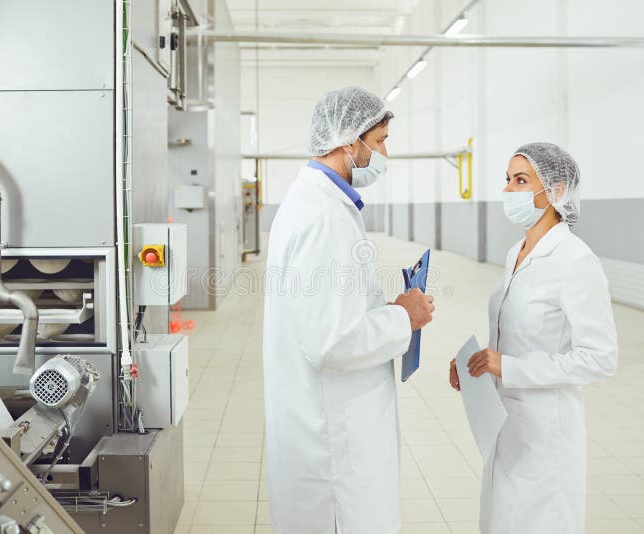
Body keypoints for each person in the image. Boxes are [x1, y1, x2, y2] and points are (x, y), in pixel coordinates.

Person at [262, 86, 435, 534]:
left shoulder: (319, 204)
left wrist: (389, 311)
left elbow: (330, 315)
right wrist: (405, 317)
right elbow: (332, 343)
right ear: (347, 141)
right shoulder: (325, 218)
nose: (384, 154)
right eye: (379, 142)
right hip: (333, 441)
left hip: (322, 420)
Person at [449, 142, 618, 534]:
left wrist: (508, 367)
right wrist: (476, 367)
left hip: (545, 434)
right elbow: (513, 337)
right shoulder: (517, 252)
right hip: (504, 424)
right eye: (508, 179)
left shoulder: (576, 260)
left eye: (521, 180)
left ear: (556, 191)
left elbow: (600, 358)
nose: (508, 189)